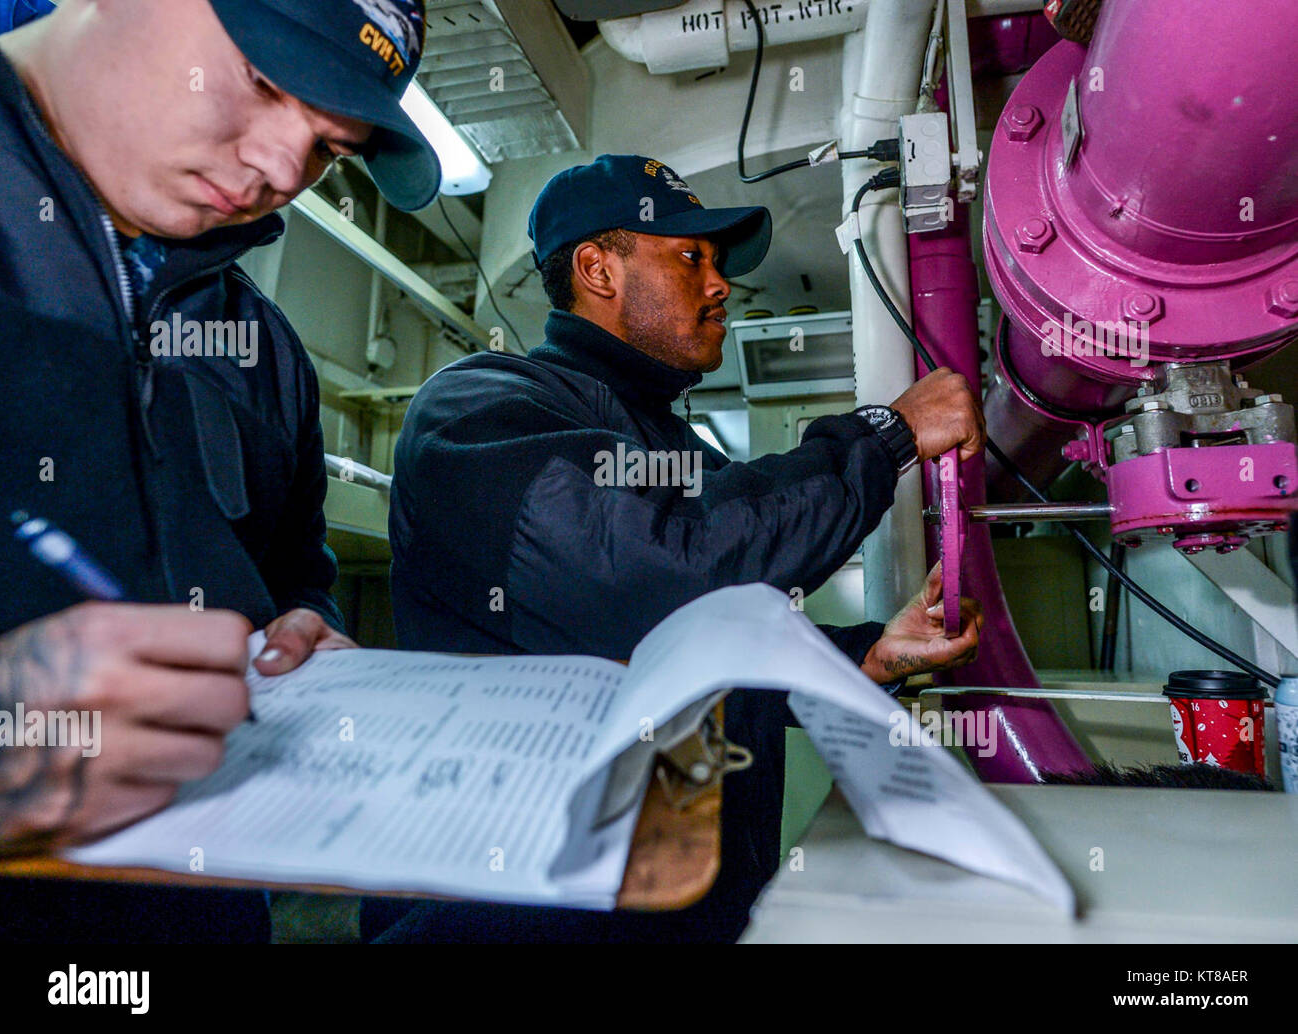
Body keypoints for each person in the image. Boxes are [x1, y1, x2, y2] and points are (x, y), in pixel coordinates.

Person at [380, 153, 987, 942]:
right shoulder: (480, 407)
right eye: (689, 256)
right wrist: (887, 434)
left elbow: (695, 655)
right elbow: (663, 570)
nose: (720, 283)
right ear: (598, 269)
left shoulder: (680, 448)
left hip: (694, 911)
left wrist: (867, 656)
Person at [0, 0, 438, 941]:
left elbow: (291, 574)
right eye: (265, 81)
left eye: (330, 148)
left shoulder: (263, 352)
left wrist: (301, 632)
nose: (287, 171)